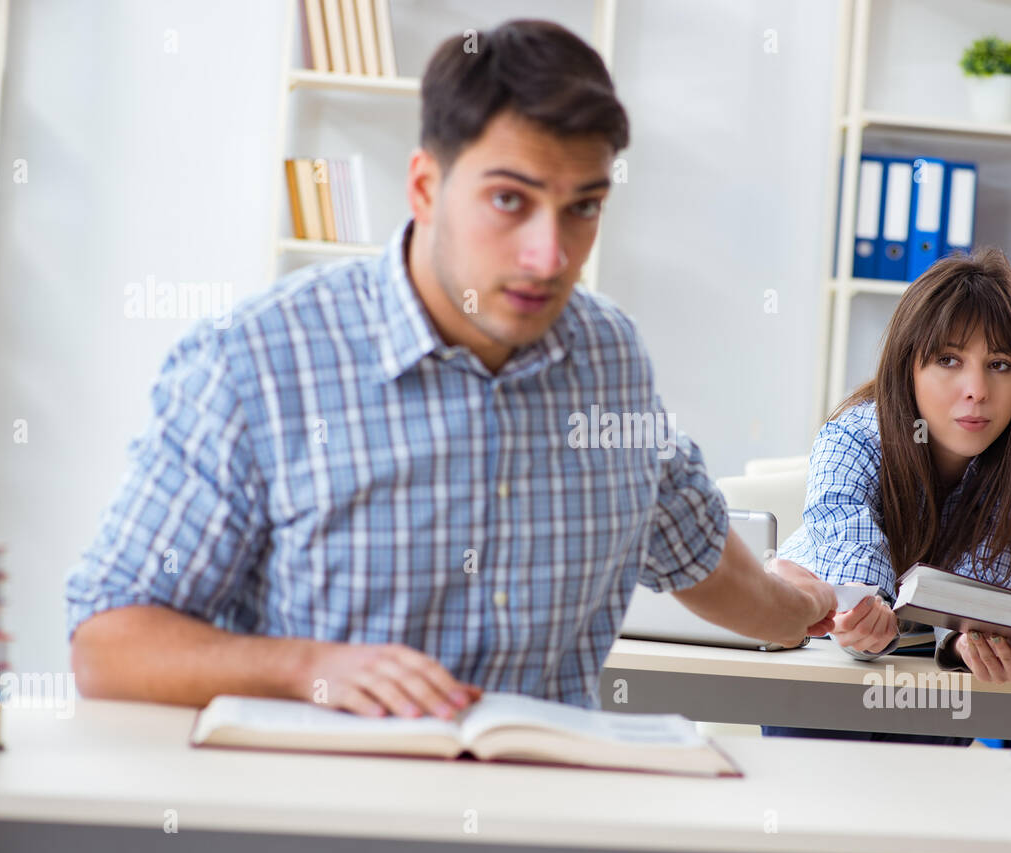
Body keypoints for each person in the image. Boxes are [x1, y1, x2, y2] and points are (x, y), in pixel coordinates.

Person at [65, 19, 837, 719]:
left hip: (535, 823)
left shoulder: (611, 360)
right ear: (425, 187)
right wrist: (306, 667)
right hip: (313, 819)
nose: (551, 254)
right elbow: (108, 643)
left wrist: (814, 606)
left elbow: (698, 557)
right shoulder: (254, 363)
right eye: (510, 199)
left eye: (584, 207)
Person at [764, 248, 1011, 744]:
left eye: (999, 364)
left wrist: (969, 640)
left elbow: (987, 575)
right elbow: (851, 548)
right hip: (820, 653)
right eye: (949, 360)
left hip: (932, 676)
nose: (976, 390)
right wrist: (867, 611)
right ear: (909, 366)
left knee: (926, 795)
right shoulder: (854, 433)